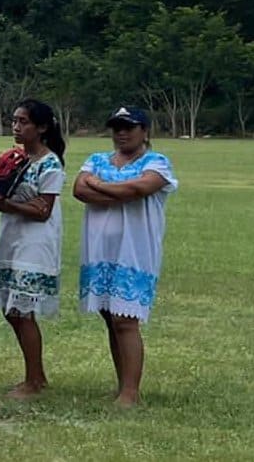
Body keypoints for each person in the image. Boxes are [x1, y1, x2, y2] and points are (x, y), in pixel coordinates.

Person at [72, 105, 177, 407]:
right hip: (100, 252)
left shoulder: (157, 162)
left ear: (145, 131)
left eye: (129, 127)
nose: (121, 133)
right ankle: (123, 385)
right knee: (110, 316)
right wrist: (116, 190)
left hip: (135, 251)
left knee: (125, 318)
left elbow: (141, 188)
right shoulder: (97, 159)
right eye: (117, 127)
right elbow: (80, 190)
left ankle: (131, 392)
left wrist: (100, 185)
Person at [0, 99, 67, 400]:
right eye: (14, 121)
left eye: (24, 122)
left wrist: (6, 204)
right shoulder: (16, 159)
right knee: (11, 310)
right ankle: (37, 375)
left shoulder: (49, 163)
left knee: (22, 310)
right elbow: (17, 200)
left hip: (36, 244)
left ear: (42, 127)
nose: (17, 127)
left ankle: (34, 379)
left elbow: (43, 210)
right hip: (11, 238)